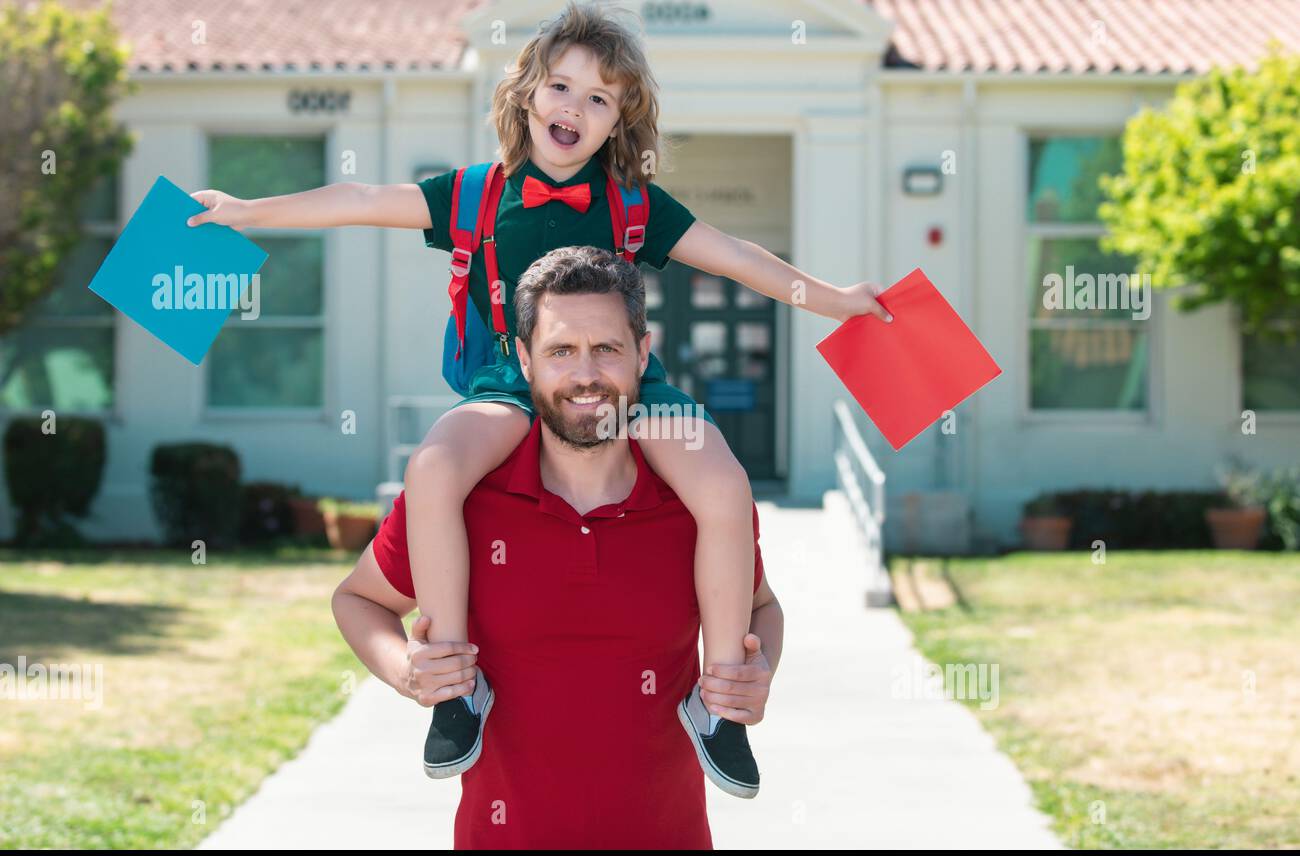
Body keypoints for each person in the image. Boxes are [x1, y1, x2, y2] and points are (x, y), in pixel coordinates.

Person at [189, 1, 884, 797]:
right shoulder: (475, 195)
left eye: (599, 99)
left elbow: (734, 256)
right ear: (526, 94)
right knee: (438, 467)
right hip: (510, 380)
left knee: (723, 480)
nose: (574, 109)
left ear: (619, 122)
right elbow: (355, 196)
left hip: (624, 382)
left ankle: (719, 703)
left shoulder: (633, 202)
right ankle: (455, 689)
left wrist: (832, 299)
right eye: (561, 86)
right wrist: (245, 213)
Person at [331, 246, 784, 847]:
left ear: (643, 354)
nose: (586, 375)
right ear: (524, 360)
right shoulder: (464, 499)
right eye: (561, 351)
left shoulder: (695, 501)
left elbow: (760, 610)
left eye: (607, 349)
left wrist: (756, 672)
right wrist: (407, 672)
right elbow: (357, 600)